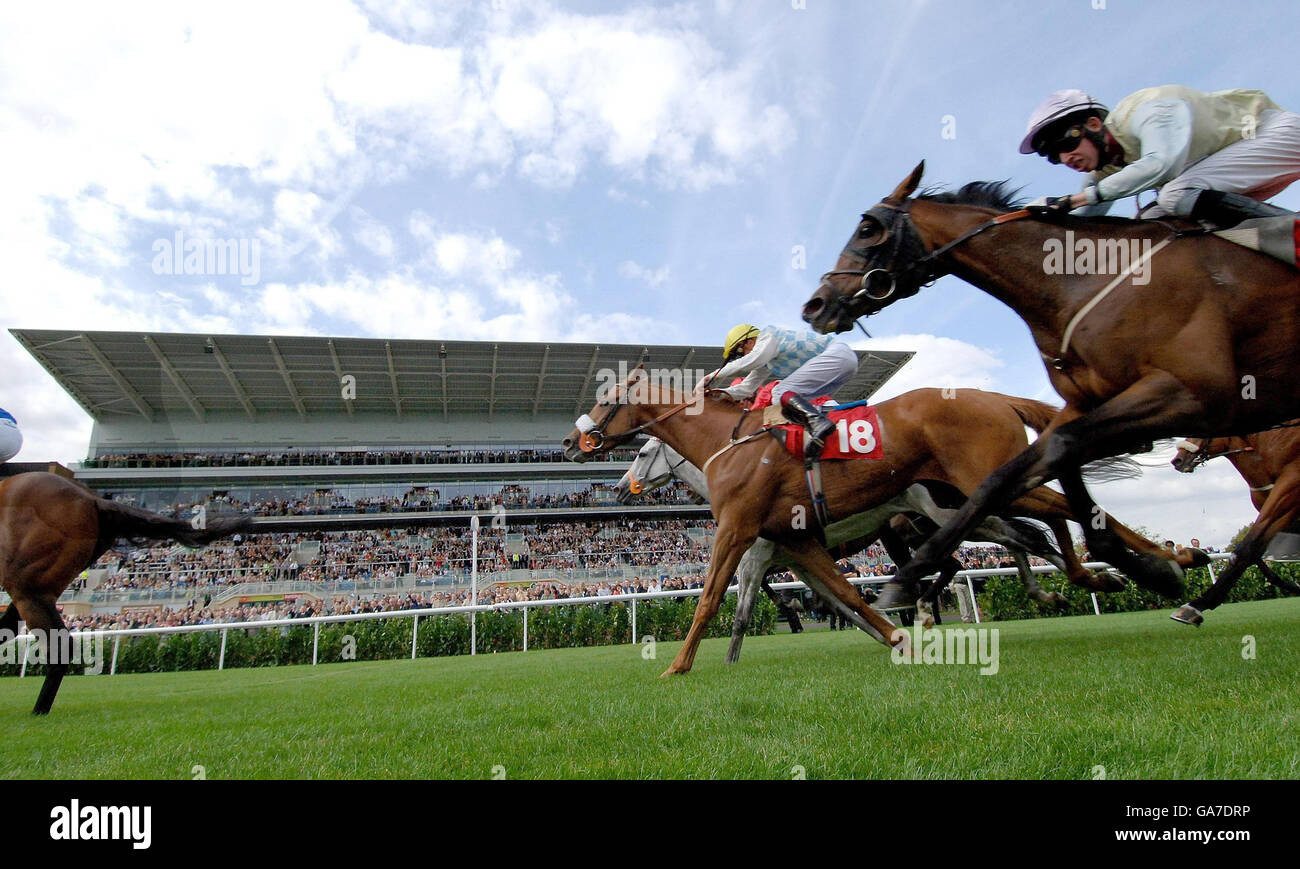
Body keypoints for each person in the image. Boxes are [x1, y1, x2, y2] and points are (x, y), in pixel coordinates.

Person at [1020, 86, 1300, 226]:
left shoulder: (1149, 111)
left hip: (1278, 135)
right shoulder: (1106, 169)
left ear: (1093, 124)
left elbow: (1161, 164)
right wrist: (1031, 218)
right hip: (1248, 156)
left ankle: (1293, 233)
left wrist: (1073, 200)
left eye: (1065, 145)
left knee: (1174, 195)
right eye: (1055, 157)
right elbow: (1080, 220)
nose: (1066, 158)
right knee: (1152, 219)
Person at [698, 324, 858, 457]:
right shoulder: (767, 360)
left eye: (741, 352)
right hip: (842, 366)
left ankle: (818, 424)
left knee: (780, 393)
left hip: (838, 354)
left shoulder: (768, 336)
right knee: (782, 401)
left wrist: (710, 377)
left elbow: (751, 361)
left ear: (748, 341)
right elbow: (746, 388)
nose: (743, 356)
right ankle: (815, 431)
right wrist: (716, 393)